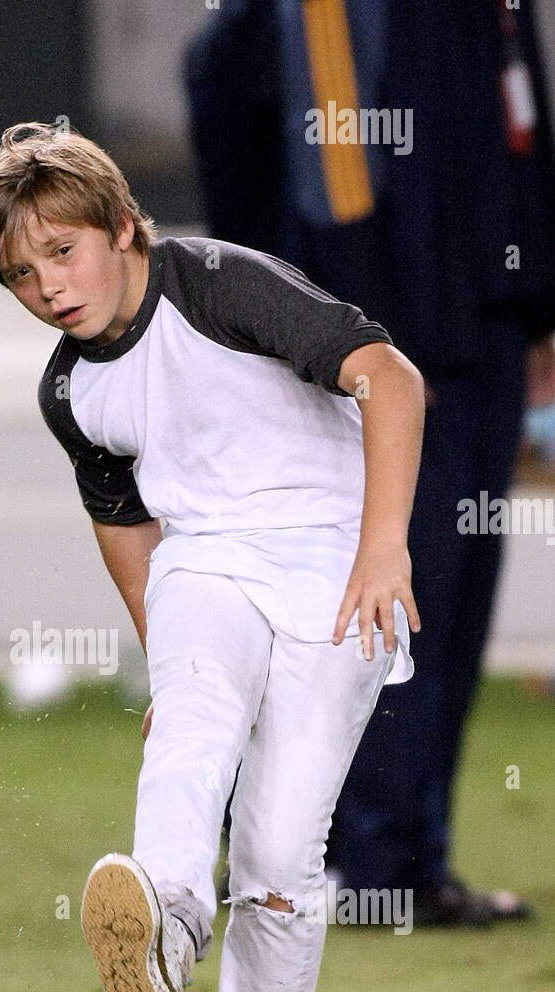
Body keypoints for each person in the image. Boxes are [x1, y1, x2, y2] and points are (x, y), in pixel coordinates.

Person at [0, 122, 425, 992]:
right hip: (204, 558)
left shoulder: (220, 286)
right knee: (192, 717)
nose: (47, 288)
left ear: (123, 226)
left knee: (274, 854)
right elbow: (126, 528)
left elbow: (390, 381)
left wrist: (384, 545)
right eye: (21, 276)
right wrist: (164, 654)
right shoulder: (71, 393)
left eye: (62, 253)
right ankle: (161, 910)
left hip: (334, 564)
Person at [184, 0, 555, 926]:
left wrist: (535, 307)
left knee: (451, 605)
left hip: (486, 320)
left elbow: (514, 126)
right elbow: (330, 157)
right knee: (383, 604)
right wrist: (373, 339)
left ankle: (399, 857)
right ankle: (364, 863)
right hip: (405, 335)